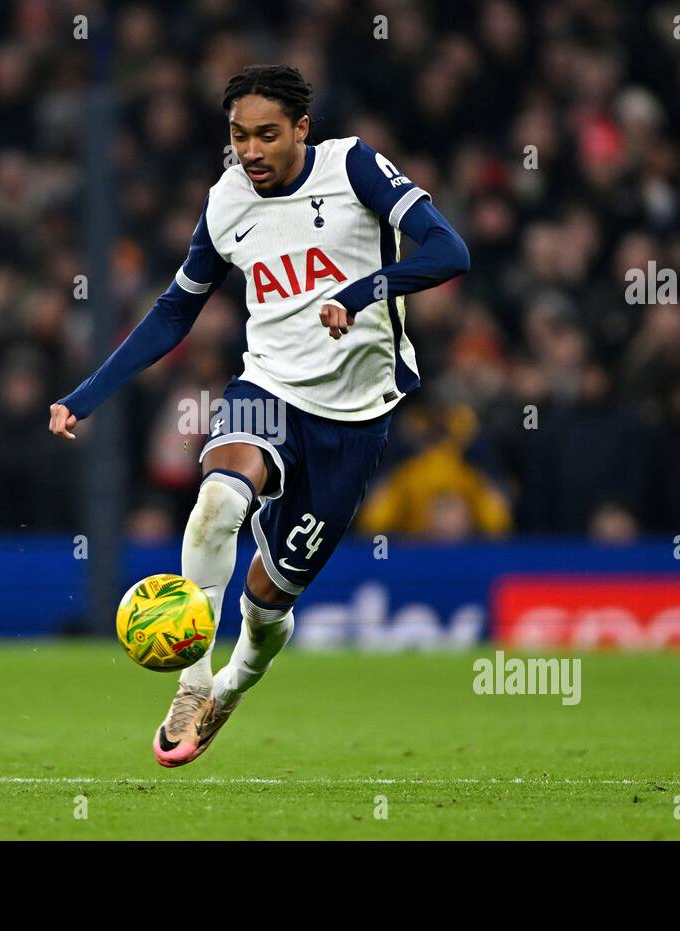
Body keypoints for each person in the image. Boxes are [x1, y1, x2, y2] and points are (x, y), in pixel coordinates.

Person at [48, 65, 469, 766]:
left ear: (302, 129)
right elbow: (174, 311)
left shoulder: (354, 167)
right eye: (239, 136)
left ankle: (235, 682)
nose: (250, 151)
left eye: (266, 135)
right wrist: (85, 394)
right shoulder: (227, 203)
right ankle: (191, 682)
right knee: (217, 501)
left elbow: (449, 251)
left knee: (267, 601)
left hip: (356, 417)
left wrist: (364, 291)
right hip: (268, 389)